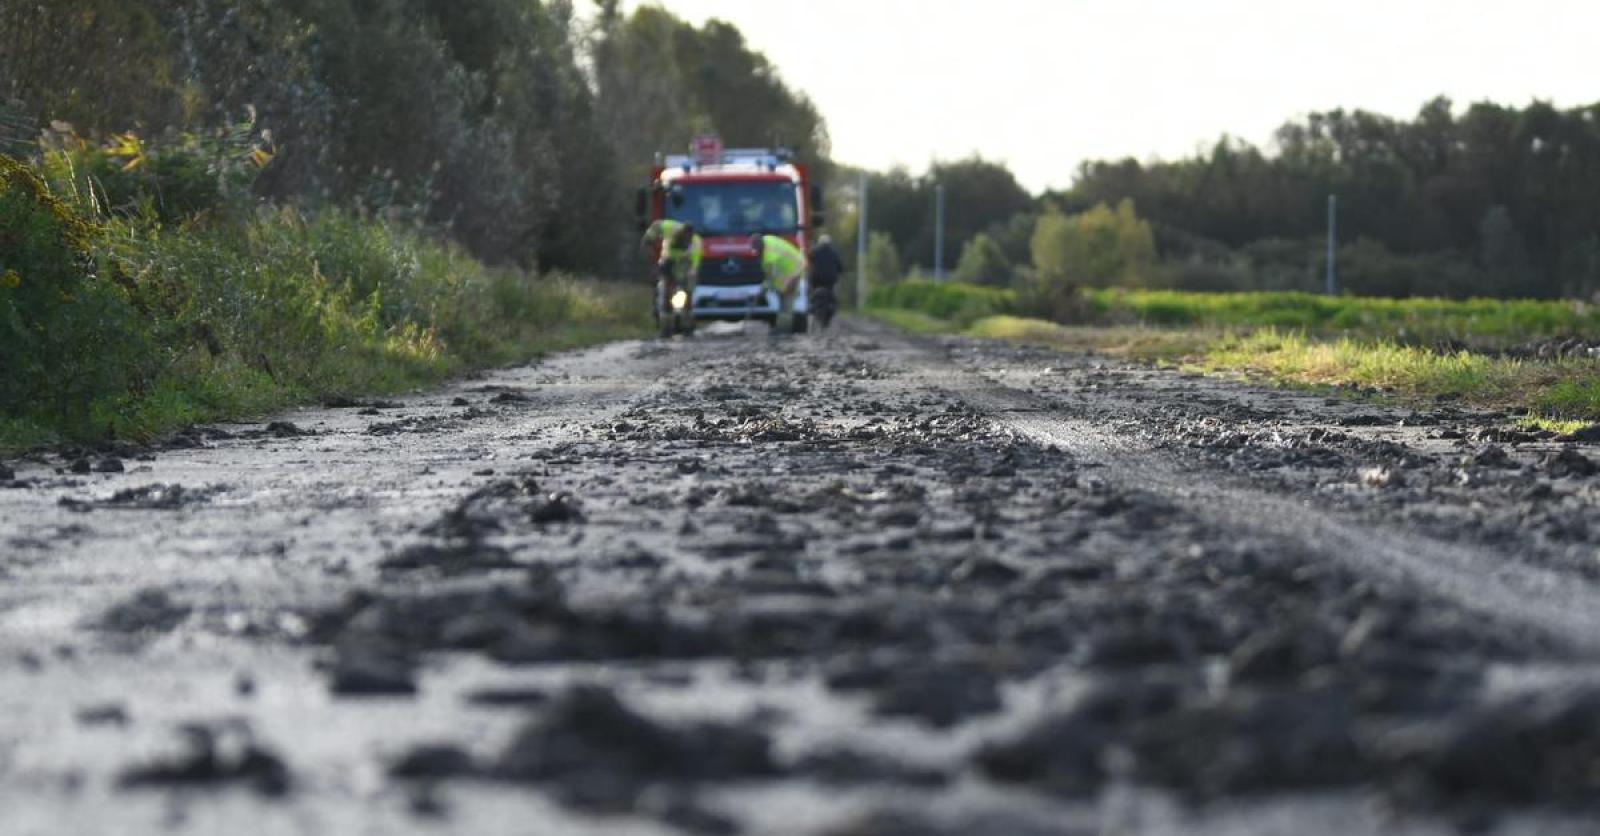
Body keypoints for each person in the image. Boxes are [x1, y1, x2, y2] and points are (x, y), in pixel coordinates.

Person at [641, 219, 702, 326]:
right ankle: (665, 322)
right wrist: (649, 237)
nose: (683, 242)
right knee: (666, 290)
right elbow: (657, 225)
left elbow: (694, 266)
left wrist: (691, 273)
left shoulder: (696, 243)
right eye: (682, 239)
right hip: (668, 261)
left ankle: (688, 320)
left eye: (686, 241)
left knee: (689, 289)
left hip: (685, 264)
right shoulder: (670, 228)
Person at [749, 233, 807, 333]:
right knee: (782, 301)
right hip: (788, 269)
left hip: (794, 270)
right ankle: (781, 328)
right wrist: (766, 286)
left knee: (786, 304)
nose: (755, 253)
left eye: (756, 251)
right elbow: (770, 277)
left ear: (760, 248)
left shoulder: (769, 256)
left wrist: (765, 288)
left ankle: (782, 331)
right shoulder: (765, 240)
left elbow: (771, 277)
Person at [807, 234, 843, 330]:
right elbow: (840, 267)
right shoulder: (834, 253)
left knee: (812, 294)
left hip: (816, 280)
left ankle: (812, 308)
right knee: (831, 297)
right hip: (829, 281)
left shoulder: (814, 251)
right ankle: (829, 311)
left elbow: (807, 262)